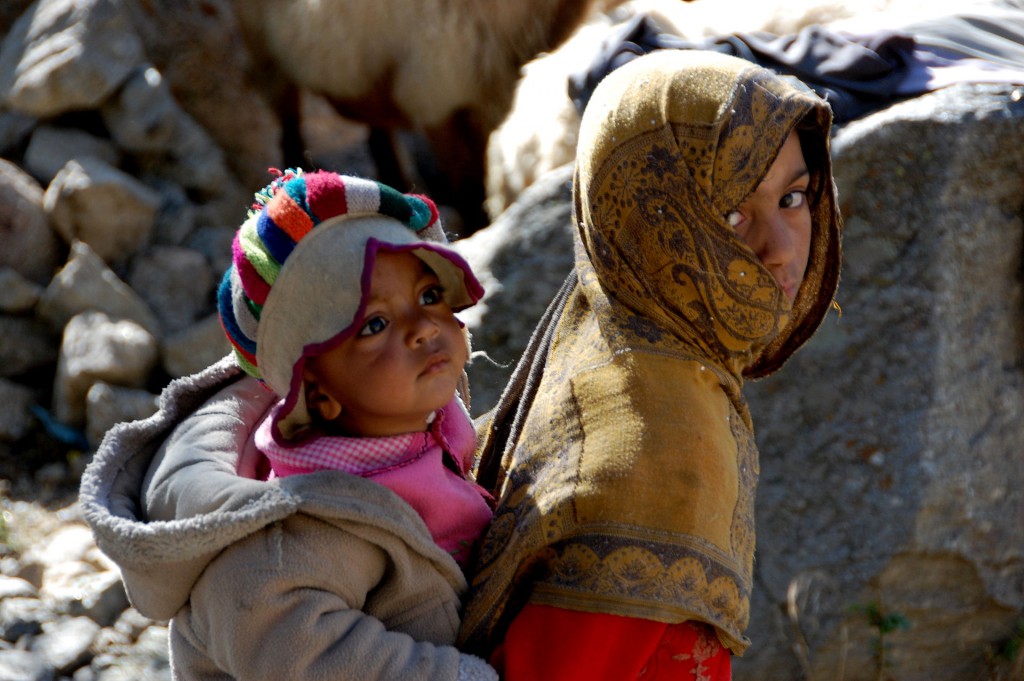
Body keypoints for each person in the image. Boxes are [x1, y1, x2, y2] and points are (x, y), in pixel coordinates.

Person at [457, 49, 842, 679]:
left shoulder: (604, 340)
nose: (780, 249)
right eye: (731, 213)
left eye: (794, 198)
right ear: (644, 215)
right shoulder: (664, 441)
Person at [79, 170, 498, 680]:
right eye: (374, 325)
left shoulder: (422, 422)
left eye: (429, 296)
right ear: (319, 394)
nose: (424, 327)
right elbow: (297, 651)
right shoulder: (303, 531)